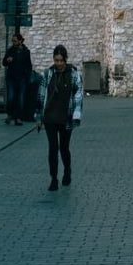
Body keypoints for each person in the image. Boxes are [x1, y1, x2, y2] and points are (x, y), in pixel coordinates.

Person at [41, 44, 83, 189]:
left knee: (64, 147)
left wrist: (77, 114)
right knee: (53, 148)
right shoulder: (48, 74)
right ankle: (53, 178)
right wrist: (38, 116)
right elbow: (41, 94)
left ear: (65, 60)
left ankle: (67, 170)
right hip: (50, 116)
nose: (58, 63)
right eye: (56, 60)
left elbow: (78, 95)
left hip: (66, 117)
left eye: (61, 60)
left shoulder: (74, 75)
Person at [3, 33, 35, 125]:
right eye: (12, 41)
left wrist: (27, 76)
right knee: (11, 97)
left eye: (15, 41)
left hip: (22, 78)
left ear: (20, 41)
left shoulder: (26, 51)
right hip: (11, 77)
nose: (13, 43)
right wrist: (7, 60)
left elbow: (29, 65)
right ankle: (10, 114)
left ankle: (18, 117)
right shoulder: (10, 50)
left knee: (20, 98)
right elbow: (4, 63)